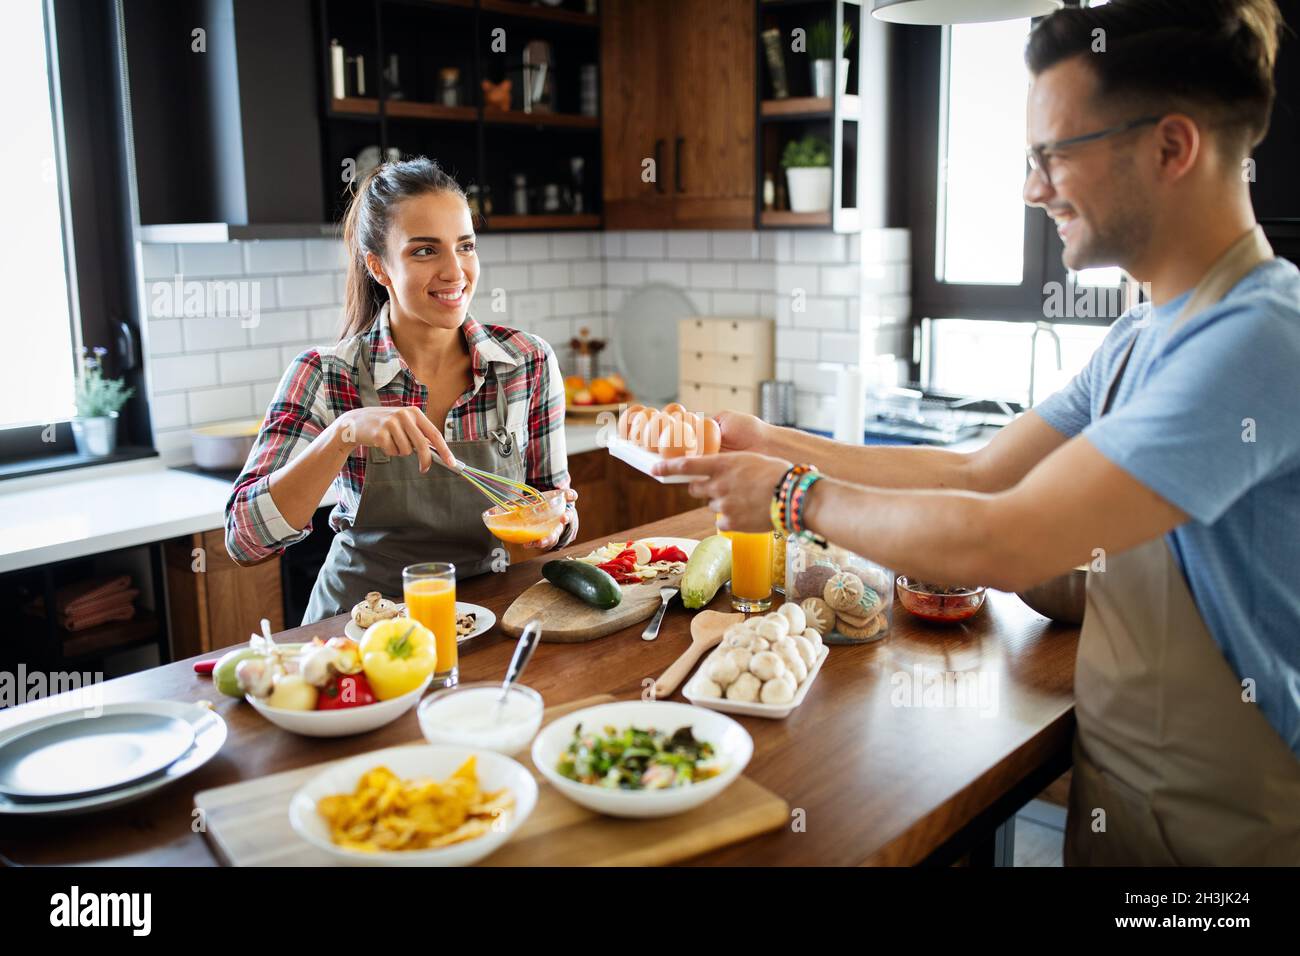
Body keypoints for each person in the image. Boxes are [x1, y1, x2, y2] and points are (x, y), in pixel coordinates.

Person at [656, 0, 1300, 865]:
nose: (1033, 188)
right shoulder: (1142, 333)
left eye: (1052, 155)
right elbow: (981, 471)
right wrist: (770, 438)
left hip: (1224, 817)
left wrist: (790, 496)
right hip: (1123, 783)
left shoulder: (1258, 339)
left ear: (1171, 147)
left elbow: (1007, 539)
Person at [225, 157, 578, 622]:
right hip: (359, 630)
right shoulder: (325, 375)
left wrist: (556, 526)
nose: (455, 272)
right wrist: (345, 432)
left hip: (481, 617)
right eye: (425, 251)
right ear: (378, 266)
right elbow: (245, 540)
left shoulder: (526, 363)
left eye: (465, 246)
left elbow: (553, 503)